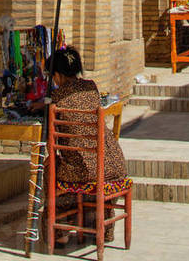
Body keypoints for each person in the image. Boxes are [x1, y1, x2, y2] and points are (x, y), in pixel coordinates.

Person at [49, 46, 127, 244]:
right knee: (86, 172)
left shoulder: (58, 98)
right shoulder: (91, 87)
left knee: (52, 168)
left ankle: (60, 233)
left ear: (57, 75)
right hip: (115, 164)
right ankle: (103, 230)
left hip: (87, 171)